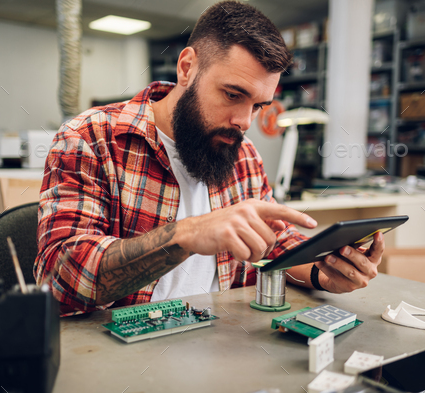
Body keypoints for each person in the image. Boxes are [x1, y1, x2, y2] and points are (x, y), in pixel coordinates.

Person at [35, 0, 384, 316]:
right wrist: (185, 234)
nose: (245, 122)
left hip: (224, 345)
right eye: (233, 94)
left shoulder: (242, 154)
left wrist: (322, 272)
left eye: (258, 106)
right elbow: (60, 279)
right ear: (187, 68)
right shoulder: (91, 139)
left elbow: (275, 244)